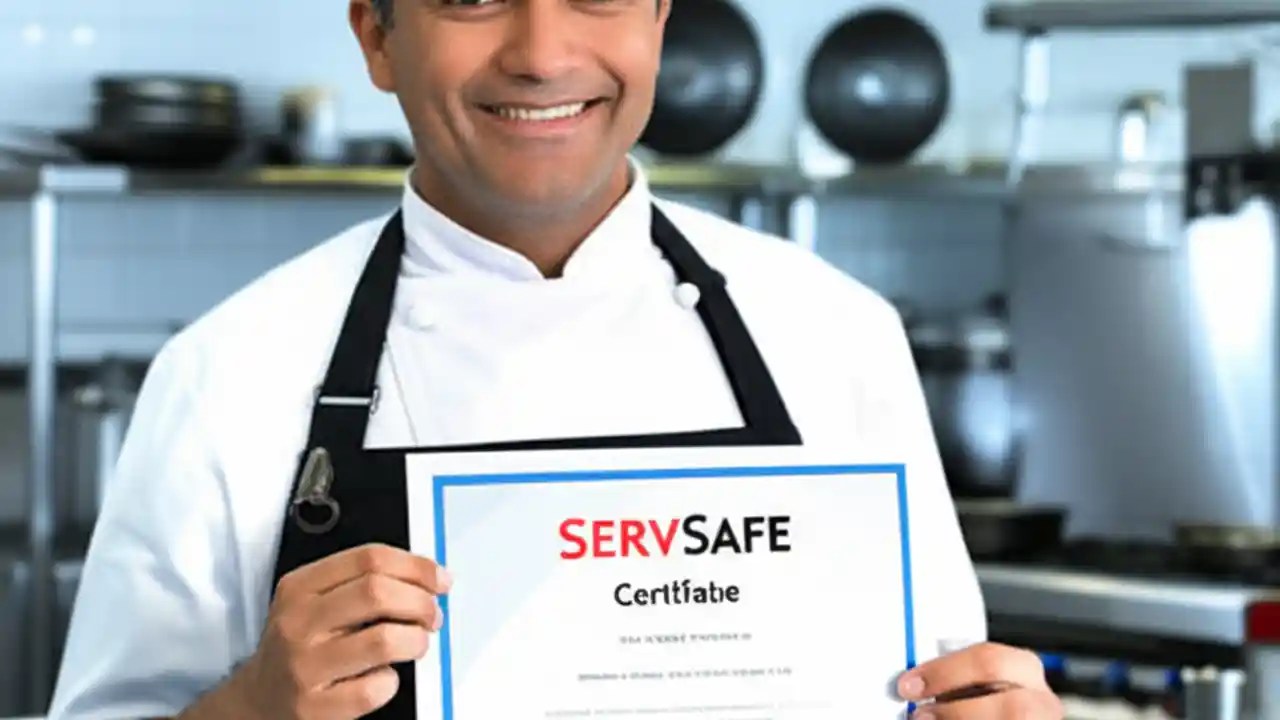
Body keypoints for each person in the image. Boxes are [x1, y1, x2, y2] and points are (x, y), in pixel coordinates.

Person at [47, 1, 1063, 719]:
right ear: (376, 35)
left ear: (658, 18)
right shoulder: (231, 370)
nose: (540, 52)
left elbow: (935, 687)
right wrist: (254, 713)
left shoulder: (834, 333)